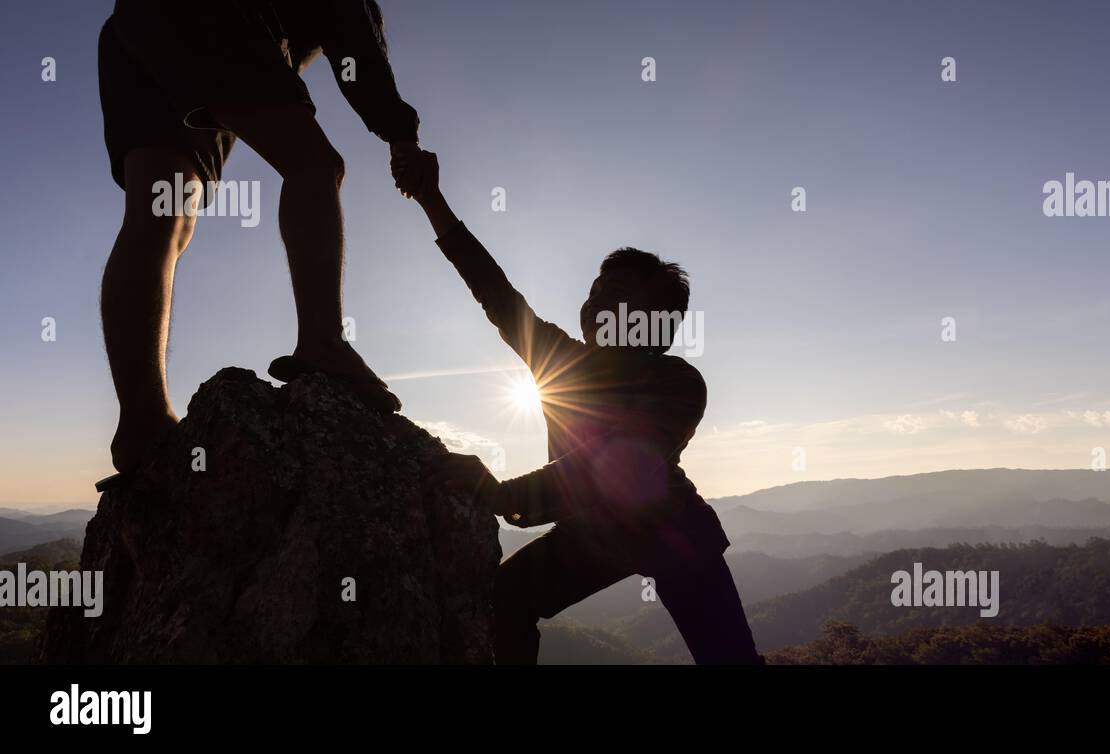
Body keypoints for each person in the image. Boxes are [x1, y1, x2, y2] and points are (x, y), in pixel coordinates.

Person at [393, 151, 762, 665]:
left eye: (613, 295)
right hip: (596, 530)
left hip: (674, 532)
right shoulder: (562, 362)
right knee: (507, 597)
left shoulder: (678, 383)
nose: (593, 303)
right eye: (594, 290)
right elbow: (496, 294)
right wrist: (432, 199)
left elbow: (613, 464)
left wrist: (500, 493)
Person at [96, 0, 423, 490]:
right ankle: (323, 343)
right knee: (315, 164)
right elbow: (358, 50)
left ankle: (141, 424)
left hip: (137, 28)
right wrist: (402, 137)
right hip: (216, 20)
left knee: (161, 218)